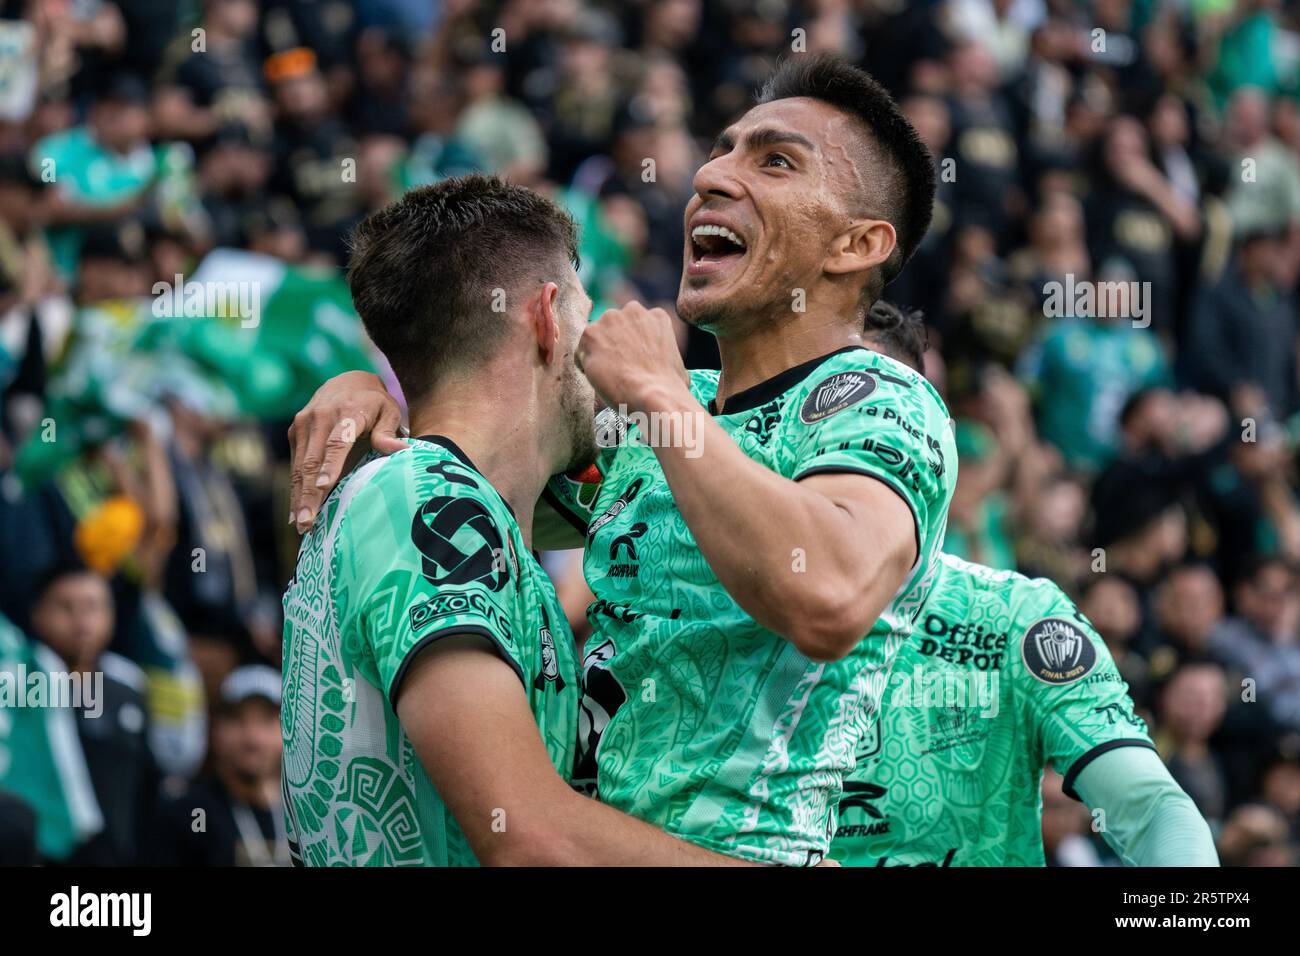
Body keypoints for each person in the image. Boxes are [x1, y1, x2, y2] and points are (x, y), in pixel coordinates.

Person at [289, 54, 956, 866]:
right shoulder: (660, 413)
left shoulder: (881, 401)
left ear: (857, 244)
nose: (713, 174)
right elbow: (482, 464)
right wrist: (376, 388)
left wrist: (658, 396)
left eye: (775, 160)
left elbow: (830, 595)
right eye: (723, 148)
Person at [281, 175, 755, 866]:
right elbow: (530, 837)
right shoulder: (432, 503)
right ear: (546, 317)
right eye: (587, 319)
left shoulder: (445, 497)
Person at [832, 302, 1217, 866]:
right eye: (832, 406)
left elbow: (1154, 810)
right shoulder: (706, 603)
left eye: (885, 411)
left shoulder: (1017, 618)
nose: (856, 437)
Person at [150, 665, 287, 866]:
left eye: (266, 721)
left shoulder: (307, 817)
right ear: (216, 728)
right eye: (239, 720)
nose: (253, 738)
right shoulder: (186, 814)